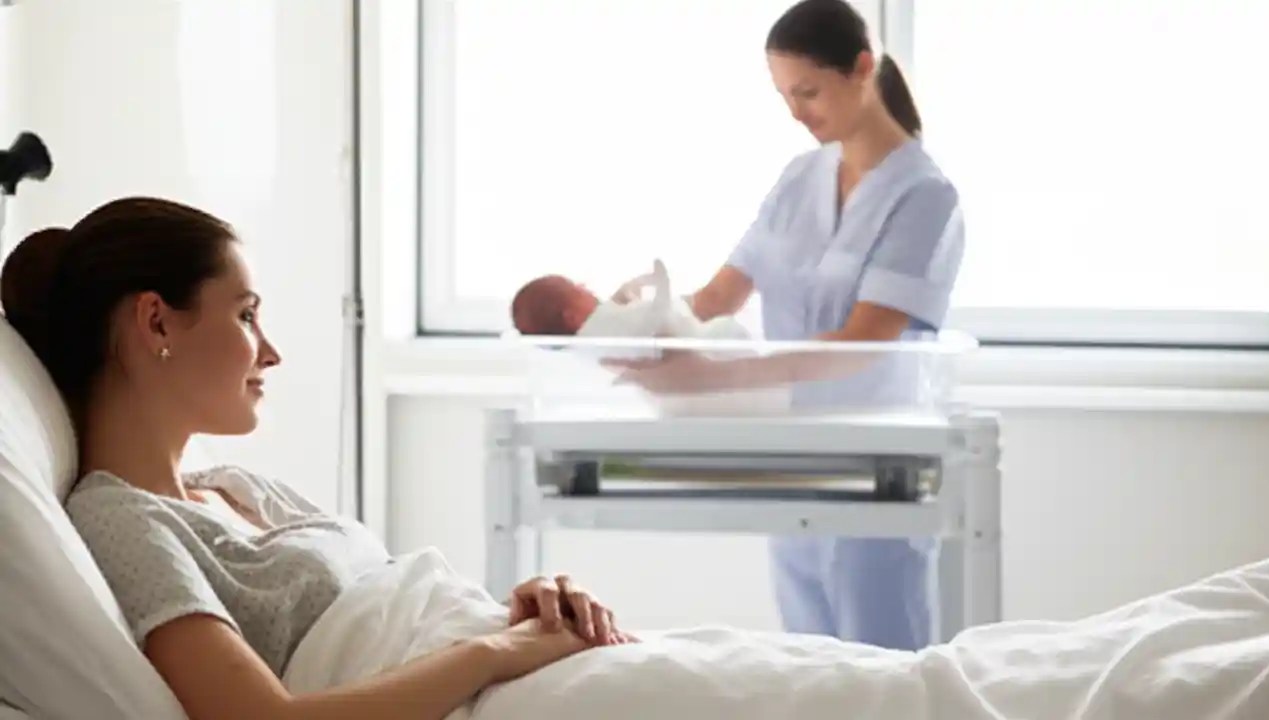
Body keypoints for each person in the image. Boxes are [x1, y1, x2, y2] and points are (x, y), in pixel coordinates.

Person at [0, 197, 637, 720]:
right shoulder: (123, 521)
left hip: (520, 669)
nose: (270, 351)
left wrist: (525, 610)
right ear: (157, 323)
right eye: (246, 315)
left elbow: (399, 606)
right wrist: (496, 650)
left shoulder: (237, 489)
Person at [615, 0, 965, 650]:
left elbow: (862, 343)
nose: (796, 113)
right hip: (791, 460)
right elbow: (718, 295)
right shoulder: (800, 177)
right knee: (805, 667)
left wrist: (711, 379)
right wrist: (638, 322)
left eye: (808, 91)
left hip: (874, 466)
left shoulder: (925, 197)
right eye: (784, 96)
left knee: (884, 670)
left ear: (862, 69)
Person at [511, 259, 749, 339]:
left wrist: (631, 288)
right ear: (571, 317)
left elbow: (617, 306)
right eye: (577, 289)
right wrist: (662, 284)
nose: (585, 287)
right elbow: (652, 317)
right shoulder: (600, 332)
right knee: (726, 329)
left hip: (686, 324)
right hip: (695, 335)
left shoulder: (594, 332)